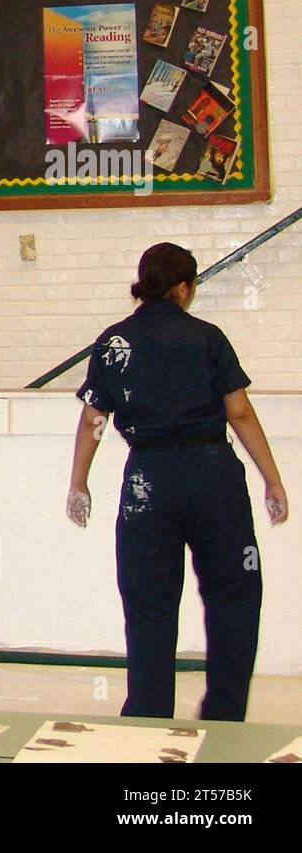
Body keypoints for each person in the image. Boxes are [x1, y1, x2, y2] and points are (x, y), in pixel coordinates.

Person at [66, 243, 288, 722]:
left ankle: (148, 718)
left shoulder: (114, 342)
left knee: (149, 605)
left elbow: (93, 422)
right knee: (233, 597)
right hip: (214, 479)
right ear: (184, 286)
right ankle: (225, 717)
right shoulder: (208, 338)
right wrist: (272, 480)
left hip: (149, 483)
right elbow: (240, 413)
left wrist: (78, 484)